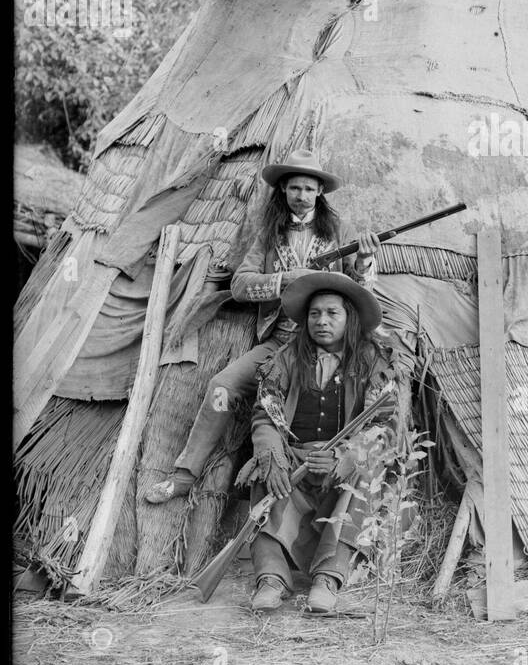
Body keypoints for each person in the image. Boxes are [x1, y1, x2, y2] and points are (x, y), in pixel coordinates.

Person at [145, 149, 380, 504]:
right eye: (295, 188)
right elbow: (239, 285)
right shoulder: (269, 234)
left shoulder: (341, 231)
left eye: (309, 189)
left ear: (320, 192)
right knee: (221, 386)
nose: (301, 196)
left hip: (329, 348)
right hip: (282, 344)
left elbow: (362, 294)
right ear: (283, 190)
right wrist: (285, 280)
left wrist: (363, 259)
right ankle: (184, 475)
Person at [239, 270, 401, 615]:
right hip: (294, 461)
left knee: (365, 474)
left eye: (332, 313)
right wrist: (274, 457)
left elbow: (383, 426)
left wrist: (344, 456)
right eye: (315, 314)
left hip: (341, 466)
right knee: (262, 472)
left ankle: (328, 577)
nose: (322, 321)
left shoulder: (373, 361)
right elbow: (265, 413)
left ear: (350, 319)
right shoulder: (287, 357)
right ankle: (271, 577)